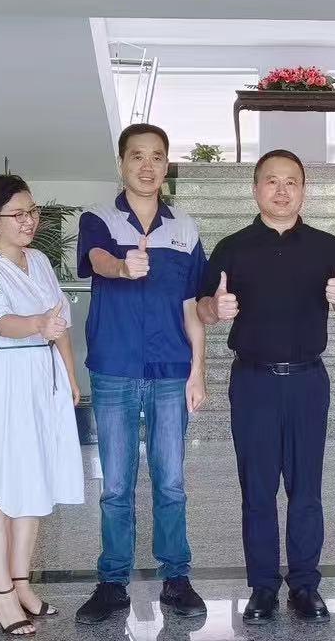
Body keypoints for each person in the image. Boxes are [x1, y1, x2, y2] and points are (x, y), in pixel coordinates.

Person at [195, 149, 335, 624]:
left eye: (292, 181)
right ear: (256, 189)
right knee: (258, 489)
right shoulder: (232, 247)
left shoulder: (327, 246)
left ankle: (305, 585)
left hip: (308, 382)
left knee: (307, 489)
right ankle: (263, 587)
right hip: (254, 383)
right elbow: (203, 307)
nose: (282, 190)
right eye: (272, 181)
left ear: (304, 190)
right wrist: (215, 309)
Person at [73, 123, 209, 624]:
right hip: (115, 368)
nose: (147, 166)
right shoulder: (99, 218)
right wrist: (122, 266)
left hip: (172, 370)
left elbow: (192, 304)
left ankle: (176, 577)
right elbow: (97, 260)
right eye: (137, 156)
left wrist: (199, 369)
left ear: (166, 165)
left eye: (156, 157)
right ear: (122, 163)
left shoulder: (186, 228)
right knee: (116, 485)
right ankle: (112, 583)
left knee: (171, 481)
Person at [0, 174, 84, 638]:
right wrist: (37, 325)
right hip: (1, 378)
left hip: (41, 376)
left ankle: (23, 583)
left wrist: (70, 377)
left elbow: (60, 322)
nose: (29, 221)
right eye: (18, 214)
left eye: (33, 212)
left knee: (32, 479)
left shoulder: (40, 261)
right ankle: (1, 593)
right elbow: (0, 322)